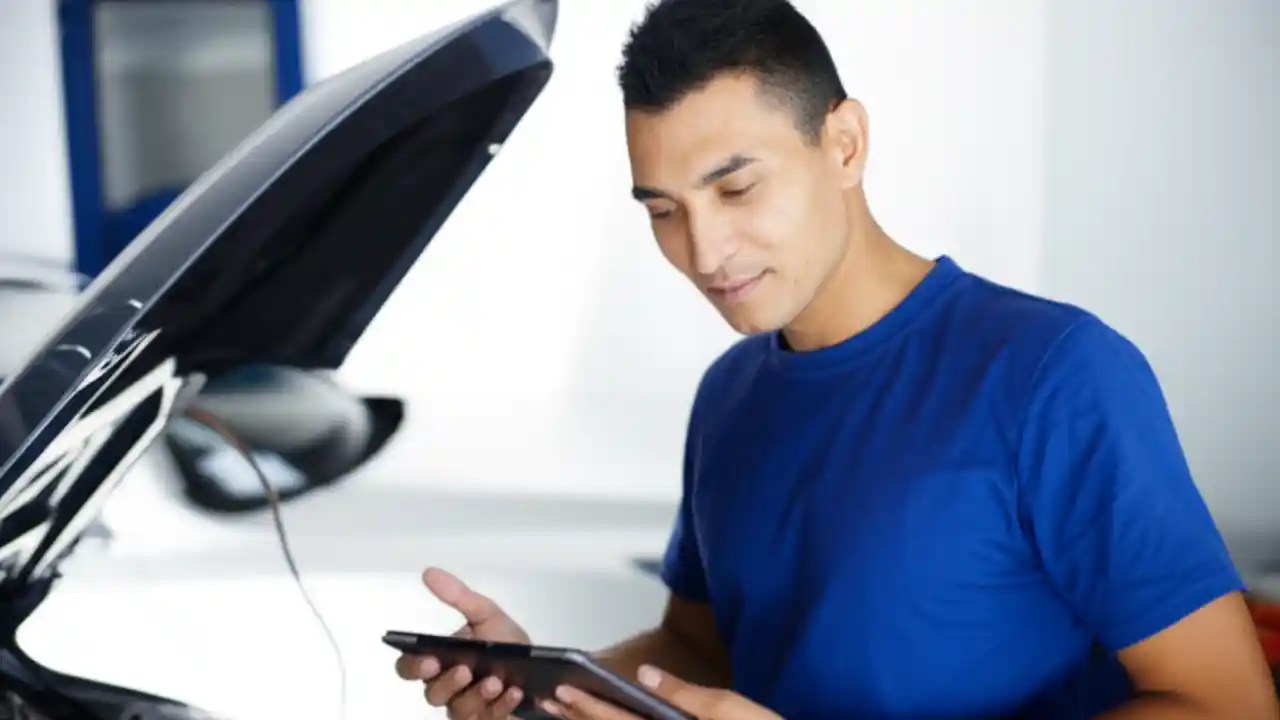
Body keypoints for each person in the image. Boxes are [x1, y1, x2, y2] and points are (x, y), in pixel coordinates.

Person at [395, 1, 1279, 718]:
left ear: (845, 143)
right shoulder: (731, 396)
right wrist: (549, 688)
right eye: (663, 210)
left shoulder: (1056, 375)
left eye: (737, 188)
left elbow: (1228, 704)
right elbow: (701, 651)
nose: (704, 252)